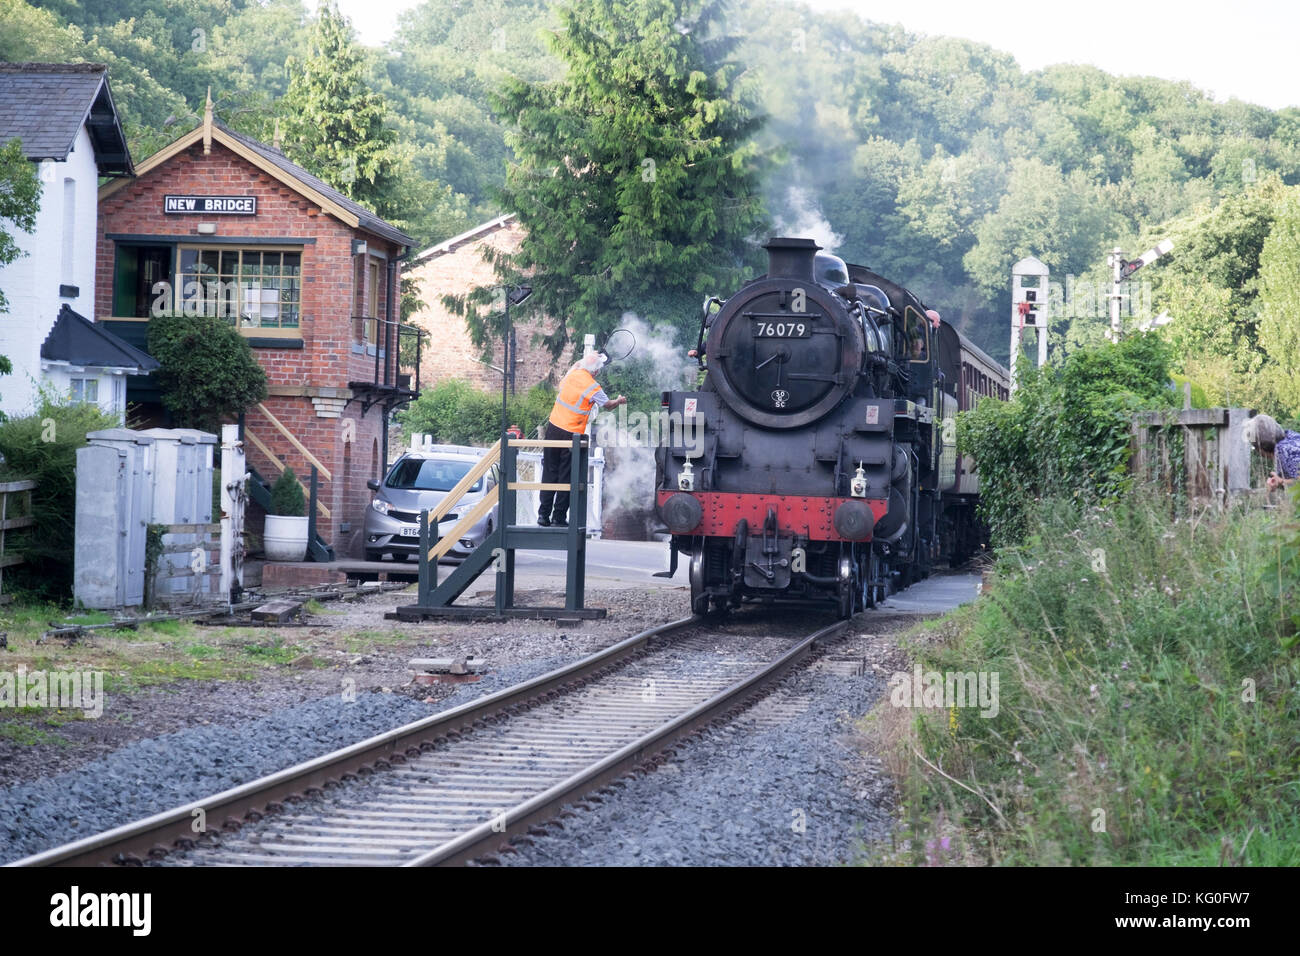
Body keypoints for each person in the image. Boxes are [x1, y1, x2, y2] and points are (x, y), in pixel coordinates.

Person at [538, 351, 626, 527]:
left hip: (553, 429)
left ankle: (543, 516)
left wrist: (592, 357)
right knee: (566, 476)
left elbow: (577, 365)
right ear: (596, 372)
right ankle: (559, 518)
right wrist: (619, 401)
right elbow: (608, 406)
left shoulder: (573, 374)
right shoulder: (593, 387)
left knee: (549, 472)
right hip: (572, 434)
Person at [1243, 413, 1300, 491]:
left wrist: (1280, 481)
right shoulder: (1290, 436)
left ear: (1260, 447)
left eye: (1255, 446)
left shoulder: (1281, 450)